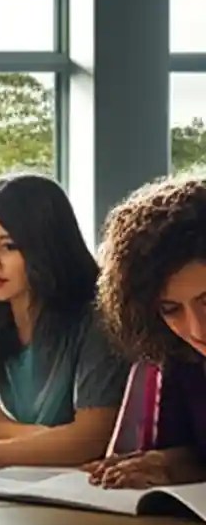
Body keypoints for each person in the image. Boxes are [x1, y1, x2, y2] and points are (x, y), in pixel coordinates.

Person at [0, 173, 128, 467]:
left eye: (9, 246)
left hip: (85, 481)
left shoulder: (97, 313)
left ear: (46, 248)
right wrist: (51, 441)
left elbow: (92, 438)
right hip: (24, 478)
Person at [85, 176, 206, 489]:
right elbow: (197, 454)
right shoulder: (182, 357)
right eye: (171, 309)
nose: (197, 329)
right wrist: (164, 464)